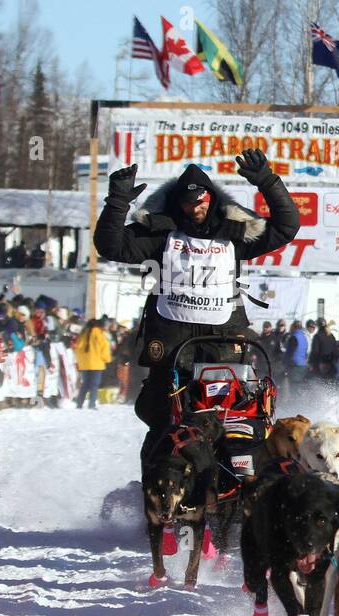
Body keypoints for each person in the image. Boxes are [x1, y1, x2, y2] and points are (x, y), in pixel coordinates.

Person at [94, 150, 299, 462]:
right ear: (177, 203)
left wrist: (267, 182)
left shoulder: (235, 234)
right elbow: (112, 245)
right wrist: (117, 201)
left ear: (212, 199)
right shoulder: (160, 233)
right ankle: (164, 487)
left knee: (231, 420)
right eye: (188, 202)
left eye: (201, 200)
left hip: (224, 342)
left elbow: (287, 226)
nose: (195, 207)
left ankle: (234, 482)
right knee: (163, 422)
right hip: (172, 344)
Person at [73, 318, 112, 410]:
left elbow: (78, 347)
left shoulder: (83, 333)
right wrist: (107, 359)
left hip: (84, 364)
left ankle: (79, 404)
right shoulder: (100, 334)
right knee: (94, 384)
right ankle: (91, 404)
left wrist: (80, 361)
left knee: (85, 384)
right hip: (96, 363)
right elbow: (104, 348)